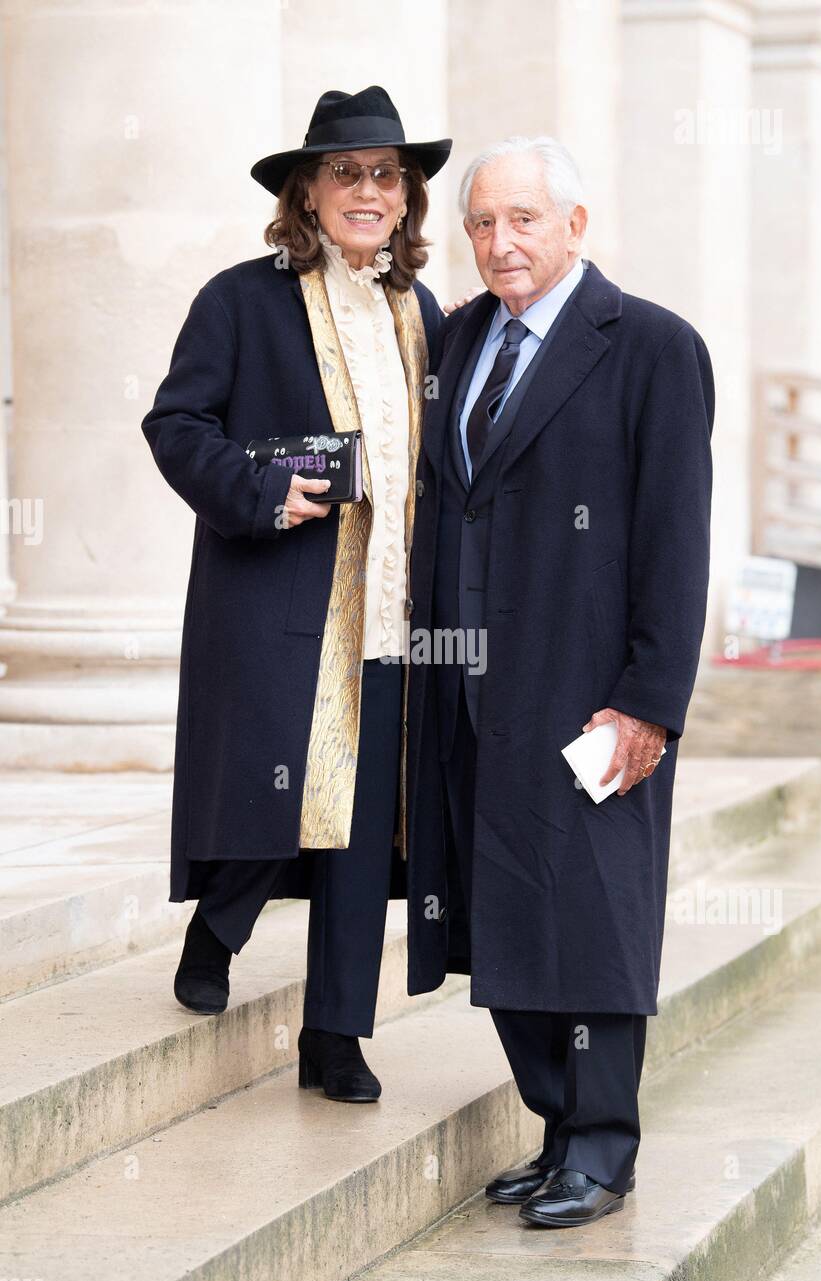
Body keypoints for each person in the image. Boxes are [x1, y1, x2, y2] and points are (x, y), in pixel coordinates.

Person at [404, 135, 714, 1226]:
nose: (498, 243)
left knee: (589, 918)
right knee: (502, 919)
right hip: (470, 687)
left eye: (522, 220)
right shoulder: (457, 337)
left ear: (574, 225)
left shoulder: (651, 349)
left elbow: (676, 544)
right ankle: (553, 1130)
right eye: (481, 223)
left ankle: (600, 1146)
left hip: (589, 697)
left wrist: (647, 702)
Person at [141, 86, 450, 1102]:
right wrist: (261, 491)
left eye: (384, 174)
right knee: (272, 787)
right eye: (345, 172)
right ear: (306, 193)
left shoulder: (425, 312)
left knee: (364, 823)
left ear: (404, 200)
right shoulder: (238, 298)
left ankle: (334, 1036)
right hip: (283, 596)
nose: (367, 190)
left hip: (395, 607)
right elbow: (177, 425)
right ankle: (216, 926)